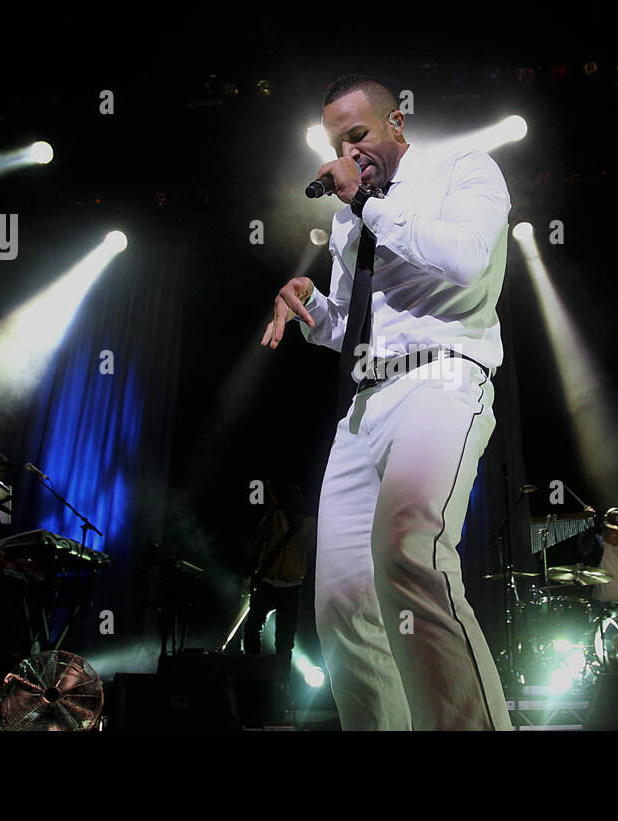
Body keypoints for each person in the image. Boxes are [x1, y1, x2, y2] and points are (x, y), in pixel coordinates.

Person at [258, 74, 511, 730]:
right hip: (367, 403)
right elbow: (355, 327)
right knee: (342, 601)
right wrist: (315, 310)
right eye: (337, 144)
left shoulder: (463, 168)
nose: (349, 153)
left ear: (396, 121)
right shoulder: (350, 223)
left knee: (410, 553)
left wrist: (368, 208)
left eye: (358, 136)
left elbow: (469, 258)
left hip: (445, 379)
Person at [244, 483, 315, 683]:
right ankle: (252, 673)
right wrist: (271, 510)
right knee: (252, 628)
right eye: (292, 494)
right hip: (267, 581)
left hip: (291, 585)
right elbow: (262, 536)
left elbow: (307, 545)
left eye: (299, 494)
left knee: (285, 641)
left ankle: (281, 684)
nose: (295, 498)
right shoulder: (273, 518)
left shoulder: (310, 523)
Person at [576, 506, 618, 603]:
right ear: (605, 528)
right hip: (599, 606)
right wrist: (589, 520)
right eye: (613, 531)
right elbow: (585, 547)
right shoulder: (596, 546)